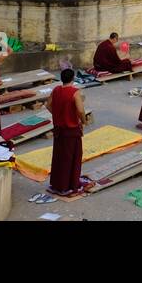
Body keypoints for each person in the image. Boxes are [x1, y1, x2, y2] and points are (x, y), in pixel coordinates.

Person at [49, 67, 87, 197]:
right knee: (71, 158)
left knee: (59, 157)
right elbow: (81, 110)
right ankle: (68, 186)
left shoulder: (56, 90)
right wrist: (83, 121)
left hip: (59, 130)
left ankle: (56, 185)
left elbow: (48, 105)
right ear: (73, 79)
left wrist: (58, 114)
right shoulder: (75, 92)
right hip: (71, 130)